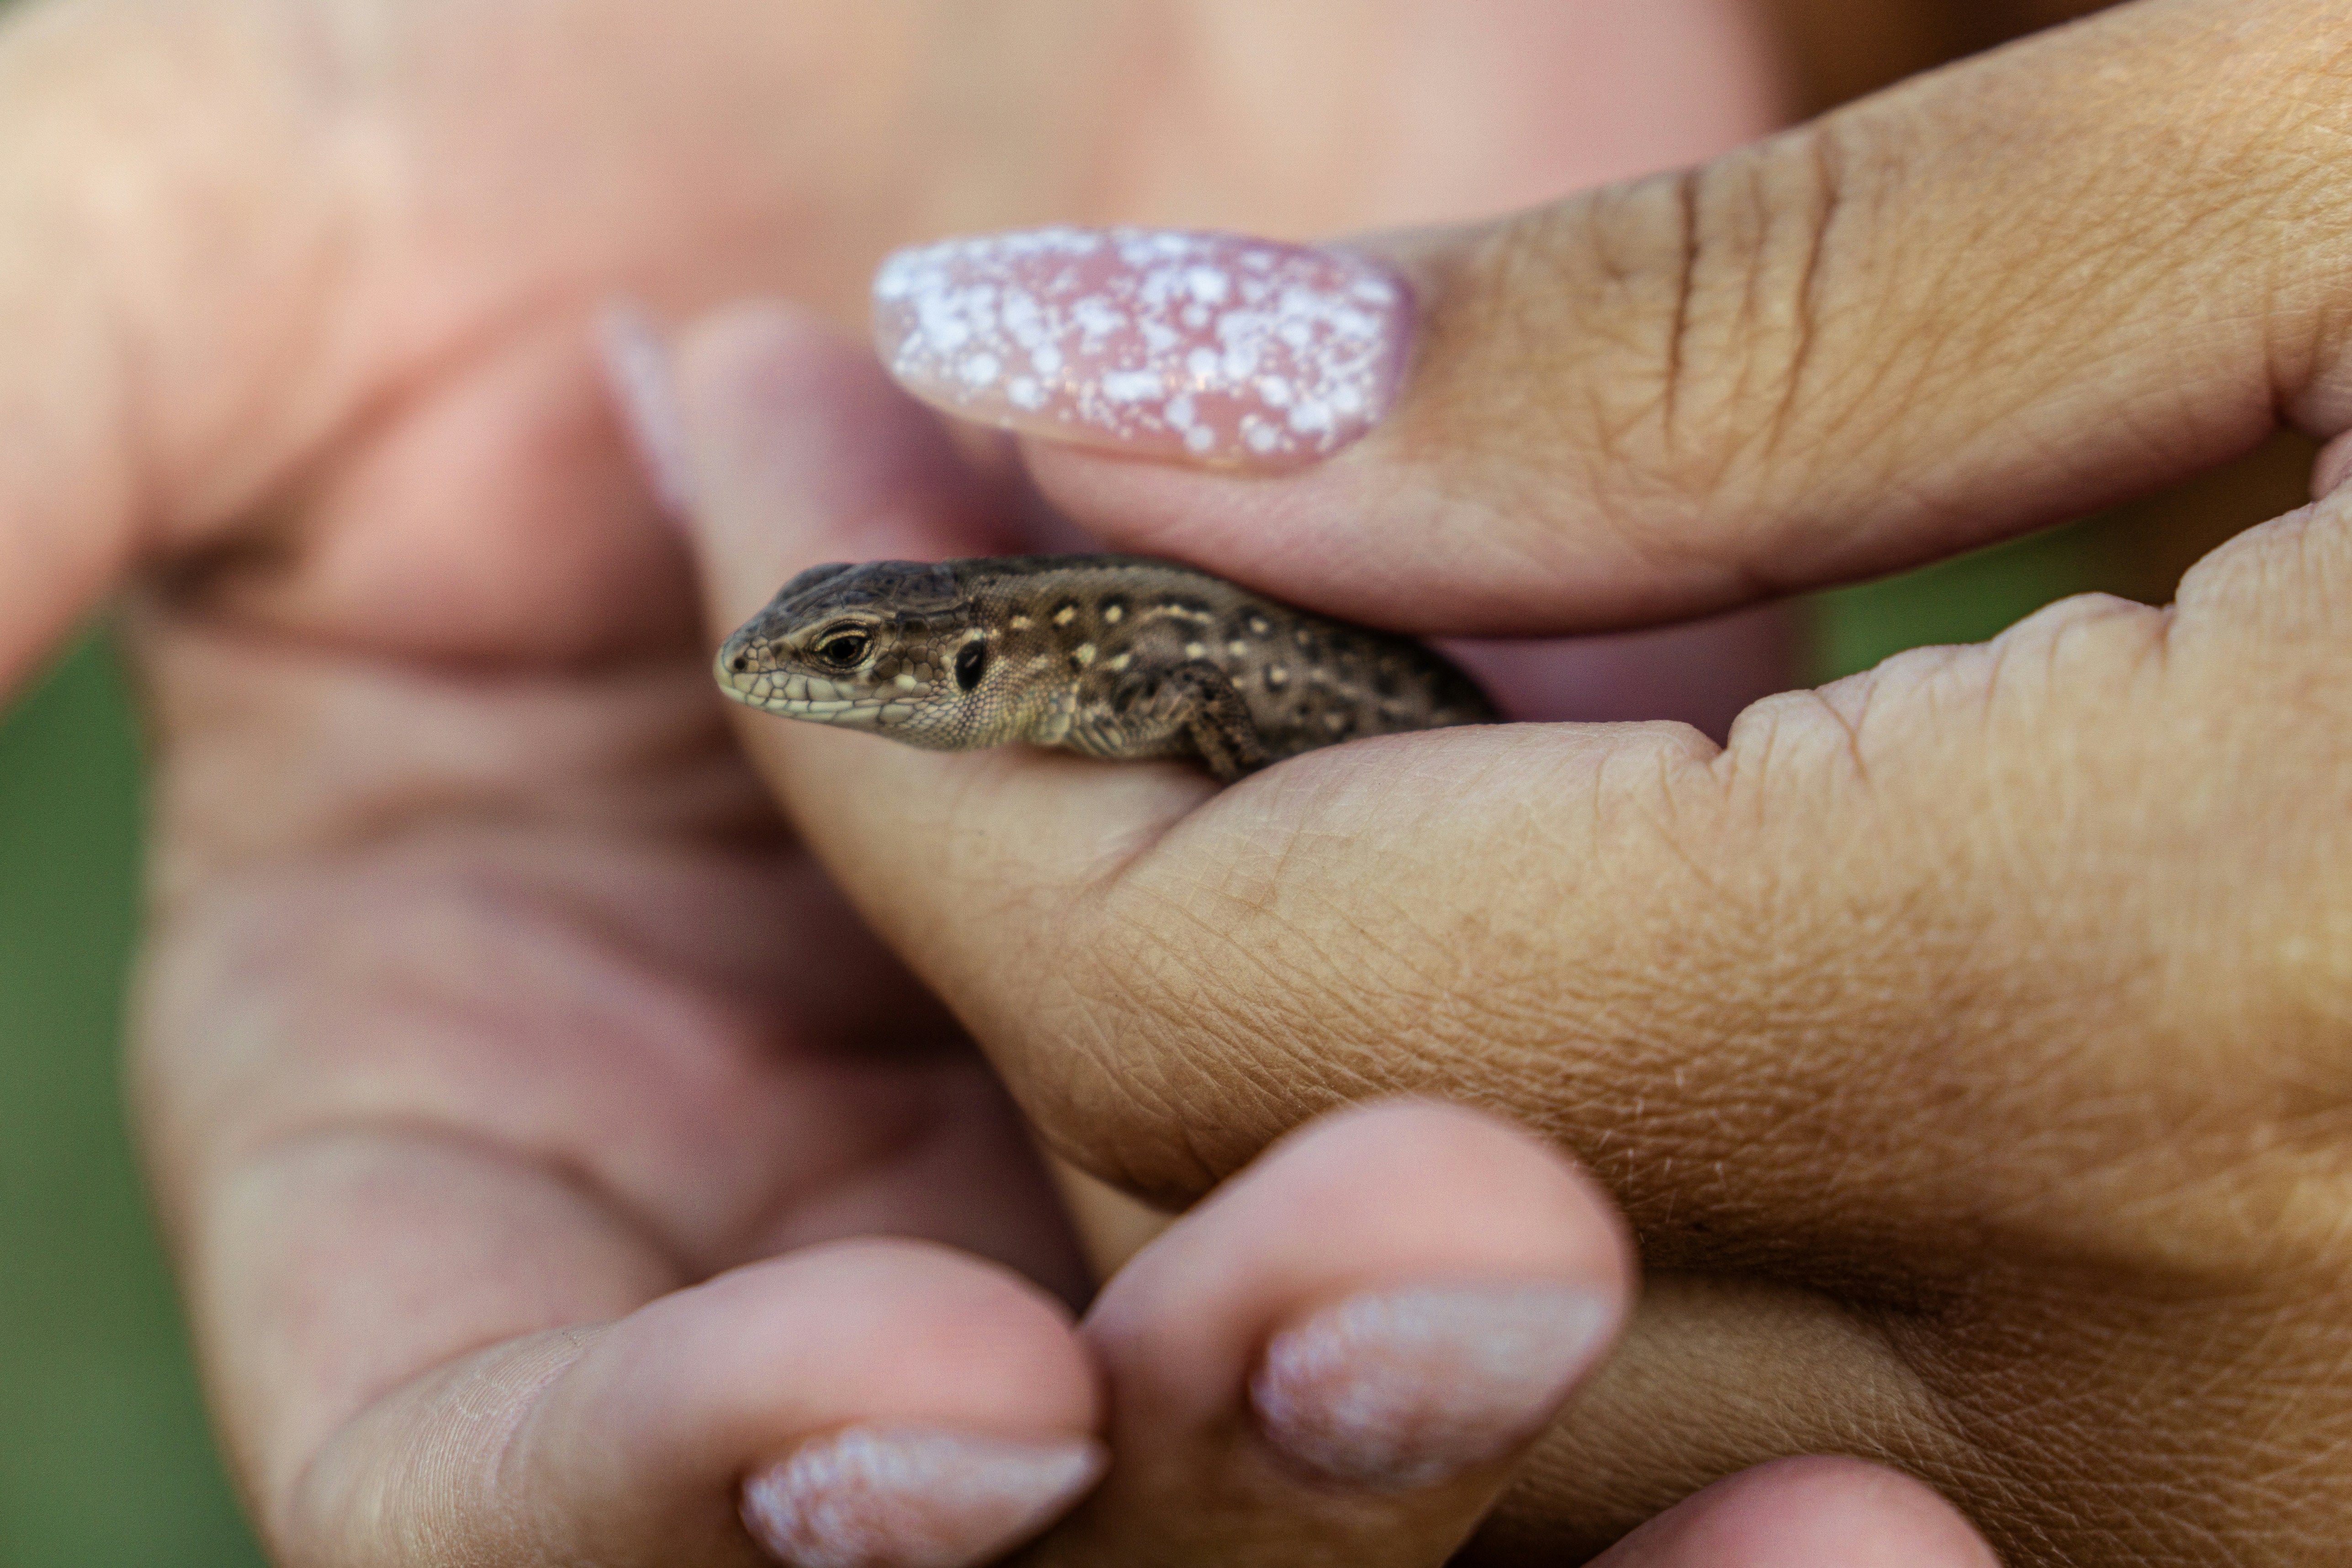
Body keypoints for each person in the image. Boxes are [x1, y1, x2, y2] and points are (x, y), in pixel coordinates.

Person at [3, 0, 2340, 1561]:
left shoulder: (1105, 660)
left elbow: (1207, 699)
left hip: (1448, 723)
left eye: (839, 660)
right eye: (815, 657)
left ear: (970, 653)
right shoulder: (1059, 665)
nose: (787, 684)